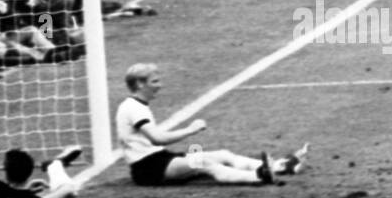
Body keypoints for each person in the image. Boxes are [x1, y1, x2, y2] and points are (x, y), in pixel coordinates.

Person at [117, 63, 308, 186]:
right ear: (140, 84)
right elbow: (158, 139)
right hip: (149, 169)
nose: (160, 85)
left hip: (159, 160)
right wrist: (191, 130)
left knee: (223, 155)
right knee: (205, 163)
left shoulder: (136, 106)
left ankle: (281, 167)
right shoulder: (133, 108)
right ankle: (258, 176)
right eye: (155, 81)